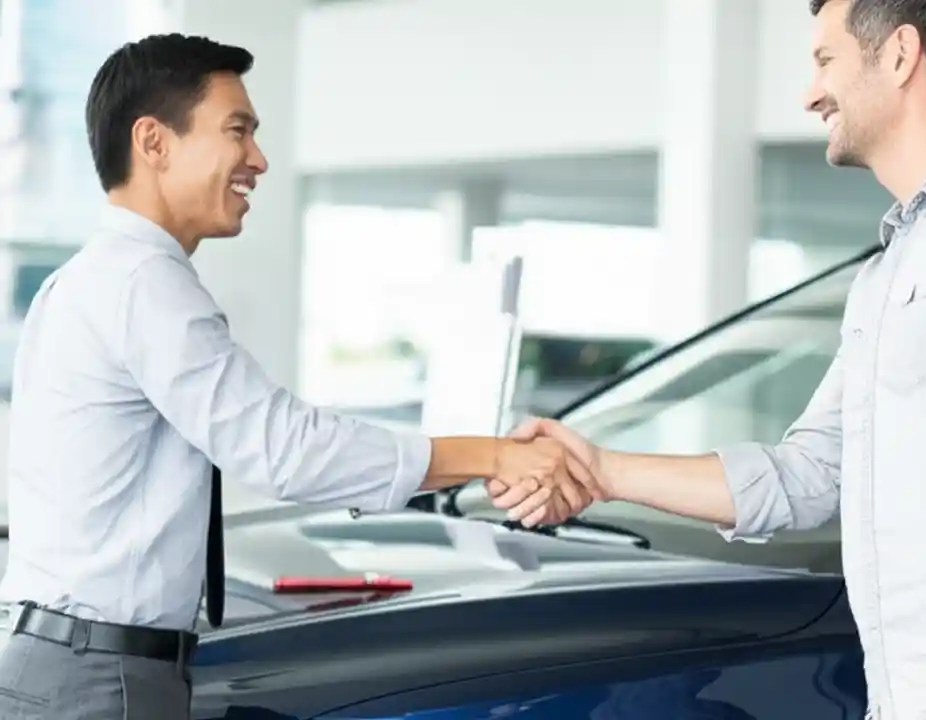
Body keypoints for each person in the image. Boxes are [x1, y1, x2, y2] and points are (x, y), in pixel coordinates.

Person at [490, 1, 926, 719]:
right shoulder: (890, 269)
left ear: (900, 56)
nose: (810, 93)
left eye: (825, 61)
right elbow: (809, 474)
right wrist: (602, 471)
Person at [0, 34, 595, 719]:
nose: (258, 159)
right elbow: (285, 448)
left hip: (54, 662)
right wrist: (489, 455)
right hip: (103, 682)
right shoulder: (145, 285)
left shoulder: (82, 280)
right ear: (154, 142)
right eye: (237, 131)